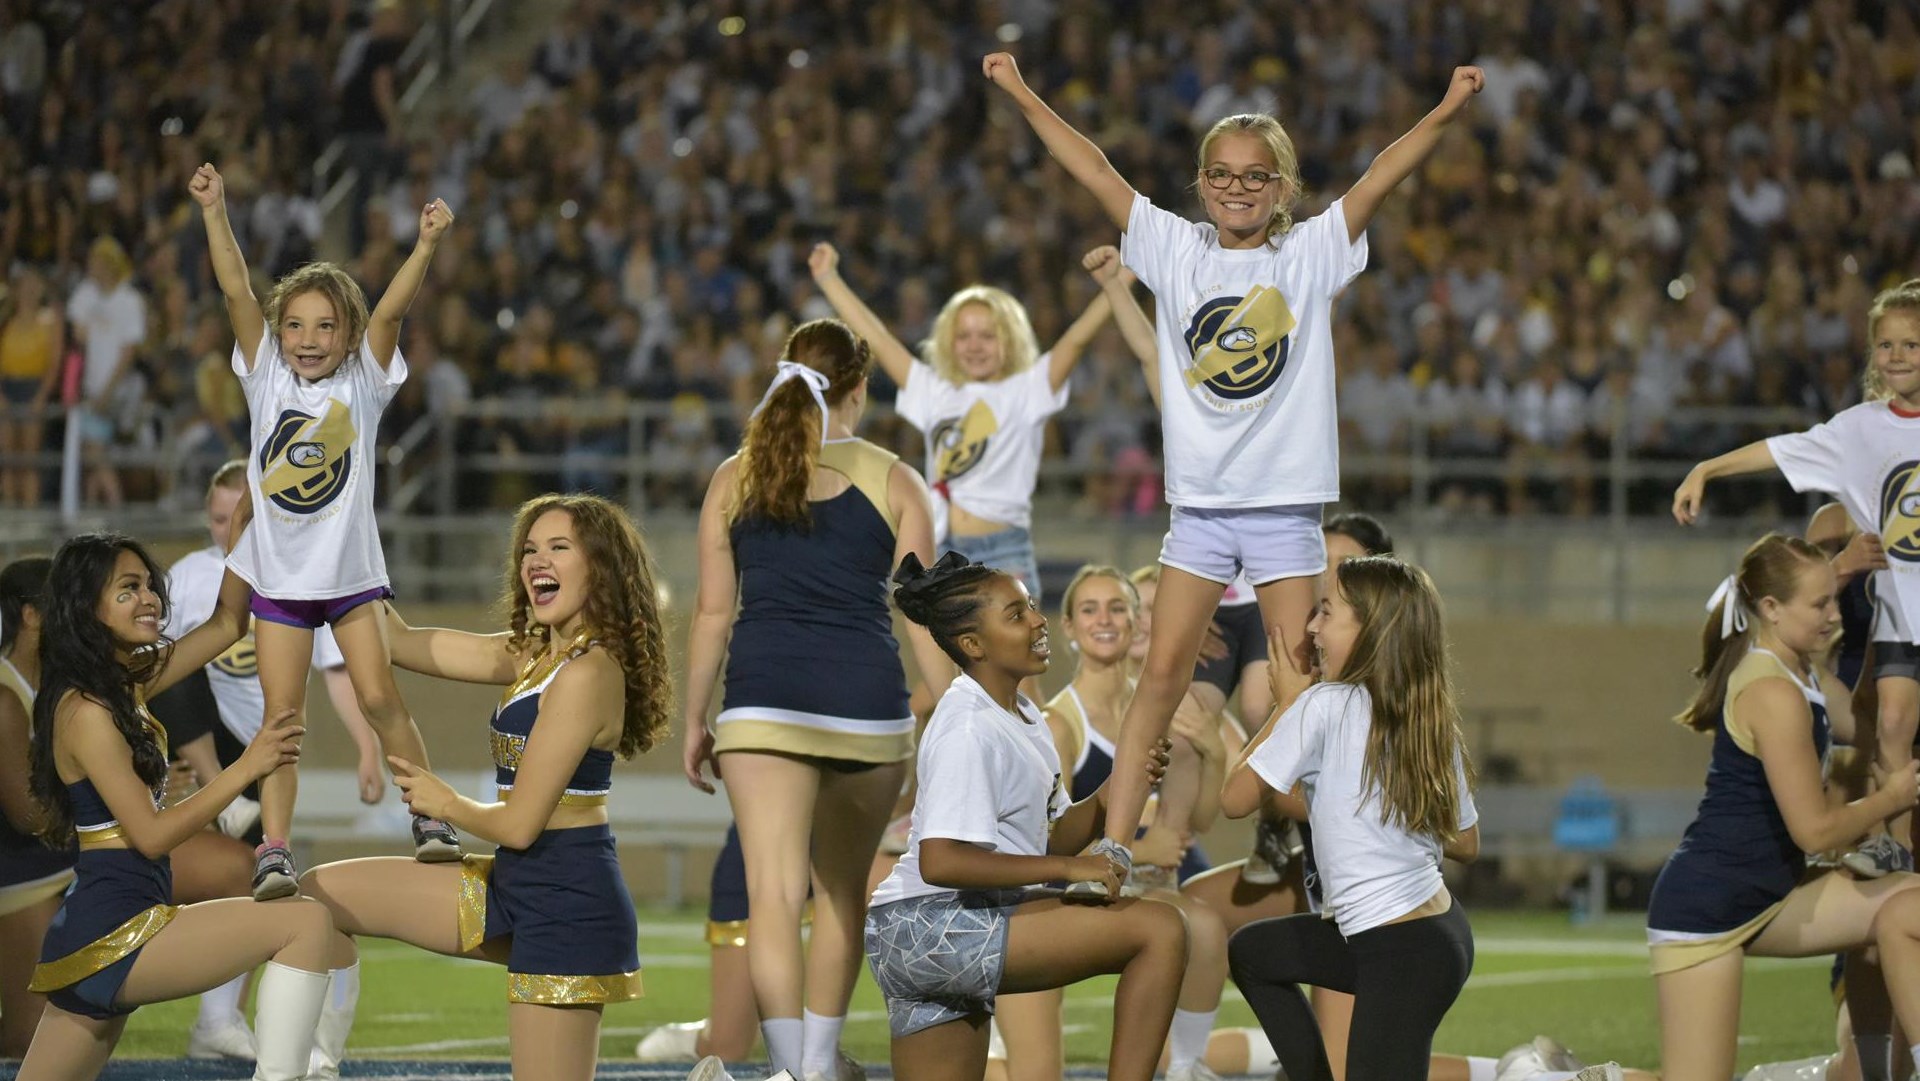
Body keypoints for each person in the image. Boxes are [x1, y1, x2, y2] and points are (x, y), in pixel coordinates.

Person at [983, 51, 1487, 888]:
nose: (1237, 188)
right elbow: (1094, 168)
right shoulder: (1174, 249)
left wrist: (1444, 109)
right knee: (1161, 683)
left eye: (1256, 177)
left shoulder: (1311, 253)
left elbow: (1381, 175)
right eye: (1221, 174)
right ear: (1202, 182)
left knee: (1301, 698)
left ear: (1283, 186)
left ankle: (1327, 853)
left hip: (1287, 516)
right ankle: (1115, 844)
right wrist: (1021, 92)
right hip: (1202, 517)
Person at [301, 493, 667, 1081]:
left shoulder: (590, 673)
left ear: (599, 565)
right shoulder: (530, 655)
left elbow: (520, 823)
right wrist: (340, 530)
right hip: (516, 880)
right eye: (528, 549)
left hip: (567, 902)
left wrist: (445, 802)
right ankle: (310, 1066)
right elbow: (398, 640)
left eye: (557, 547)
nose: (535, 561)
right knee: (321, 893)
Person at [682, 318, 953, 1081]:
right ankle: (821, 1065)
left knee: (771, 894)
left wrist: (694, 720)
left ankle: (794, 1070)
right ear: (859, 389)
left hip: (761, 705)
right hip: (868, 710)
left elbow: (712, 613)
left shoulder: (735, 476)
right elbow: (920, 613)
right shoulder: (895, 478)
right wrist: (962, 708)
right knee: (840, 895)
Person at [191, 161, 457, 900]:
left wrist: (426, 244)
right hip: (279, 587)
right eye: (295, 326)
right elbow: (236, 289)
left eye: (325, 326)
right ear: (279, 335)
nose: (308, 339)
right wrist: (216, 210)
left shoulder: (360, 385)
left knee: (379, 700)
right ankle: (274, 850)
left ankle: (430, 814)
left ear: (347, 337)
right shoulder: (266, 376)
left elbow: (393, 314)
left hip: (348, 585)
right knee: (281, 723)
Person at [833, 552, 1186, 1081]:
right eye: (1016, 615)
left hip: (925, 930)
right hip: (935, 923)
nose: (1038, 621)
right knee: (1160, 931)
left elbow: (1052, 836)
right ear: (973, 646)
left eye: (1032, 608)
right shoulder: (968, 726)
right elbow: (942, 860)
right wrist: (1068, 872)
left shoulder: (1020, 714)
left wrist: (1116, 790)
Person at [18, 530, 330, 1081]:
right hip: (114, 927)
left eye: (149, 585)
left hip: (124, 913)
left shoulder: (123, 681)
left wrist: (251, 521)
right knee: (304, 923)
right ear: (85, 608)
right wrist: (246, 768)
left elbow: (226, 624)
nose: (149, 599)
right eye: (127, 589)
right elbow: (152, 836)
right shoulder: (87, 709)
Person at [1675, 280, 1920, 876]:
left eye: (1911, 344)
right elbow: (1779, 450)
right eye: (1885, 345)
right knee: (1888, 725)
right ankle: (1898, 857)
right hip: (1899, 618)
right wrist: (1708, 467)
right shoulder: (1857, 430)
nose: (1897, 356)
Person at [1221, 556, 1479, 1081]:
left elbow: (1234, 799)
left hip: (1400, 949)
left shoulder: (1322, 706)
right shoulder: (1426, 717)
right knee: (1255, 952)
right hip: (1431, 934)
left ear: (1372, 631)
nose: (1313, 628)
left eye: (1327, 613)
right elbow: (1466, 842)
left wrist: (1285, 706)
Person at [808, 242, 1115, 600]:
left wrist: (1119, 279)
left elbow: (1076, 339)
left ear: (1010, 339)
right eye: (964, 336)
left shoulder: (1027, 389)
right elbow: (876, 337)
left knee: (1010, 657)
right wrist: (828, 278)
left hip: (1004, 551)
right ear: (948, 342)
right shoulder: (933, 389)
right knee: (951, 657)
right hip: (941, 552)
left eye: (987, 336)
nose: (974, 345)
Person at [0, 557, 68, 1057]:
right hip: (18, 872)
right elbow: (26, 815)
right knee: (30, 1043)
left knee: (228, 870)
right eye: (65, 604)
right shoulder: (5, 696)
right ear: (31, 615)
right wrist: (113, 799)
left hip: (62, 855)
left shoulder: (56, 681)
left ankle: (218, 1022)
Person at [0, 268, 63, 507]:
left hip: (34, 387)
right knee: (8, 459)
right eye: (24, 286)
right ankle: (8, 511)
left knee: (29, 459)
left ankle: (29, 511)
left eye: (33, 286)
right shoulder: (6, 320)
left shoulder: (49, 320)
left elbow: (54, 363)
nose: (28, 292)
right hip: (7, 387)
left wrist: (41, 396)